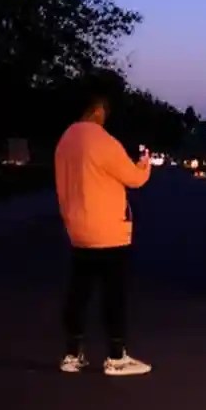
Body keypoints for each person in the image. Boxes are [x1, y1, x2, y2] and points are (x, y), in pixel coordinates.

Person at [54, 79, 153, 376]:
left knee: (78, 292)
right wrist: (145, 164)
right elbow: (134, 179)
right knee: (114, 294)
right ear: (98, 110)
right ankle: (116, 356)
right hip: (109, 233)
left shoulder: (65, 141)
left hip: (78, 230)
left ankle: (72, 354)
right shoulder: (103, 141)